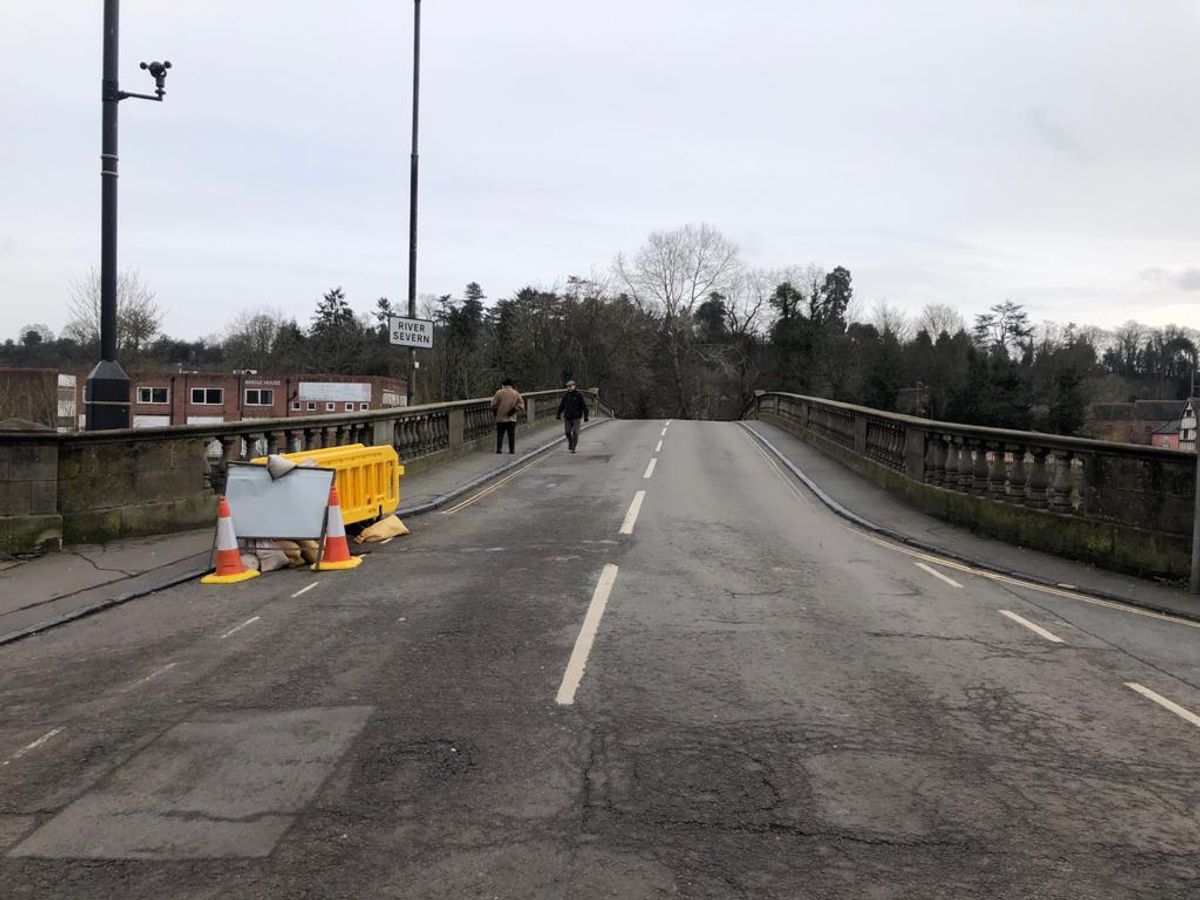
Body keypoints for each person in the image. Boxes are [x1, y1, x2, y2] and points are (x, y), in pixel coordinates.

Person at [490, 378, 524, 454]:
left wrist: (494, 411)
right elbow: (521, 404)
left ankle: (499, 449)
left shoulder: (499, 393)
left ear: (503, 384)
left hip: (500, 418)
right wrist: (514, 409)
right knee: (511, 435)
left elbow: (493, 404)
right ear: (511, 385)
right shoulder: (515, 393)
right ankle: (512, 449)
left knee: (500, 434)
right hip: (511, 418)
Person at [555, 379, 589, 453]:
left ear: (574, 386)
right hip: (568, 417)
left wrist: (586, 416)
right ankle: (570, 442)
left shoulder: (579, 395)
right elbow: (561, 406)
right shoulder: (566, 396)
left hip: (576, 417)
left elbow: (584, 406)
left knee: (575, 432)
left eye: (570, 386)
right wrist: (558, 414)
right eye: (568, 387)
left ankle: (573, 447)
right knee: (567, 432)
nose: (569, 388)